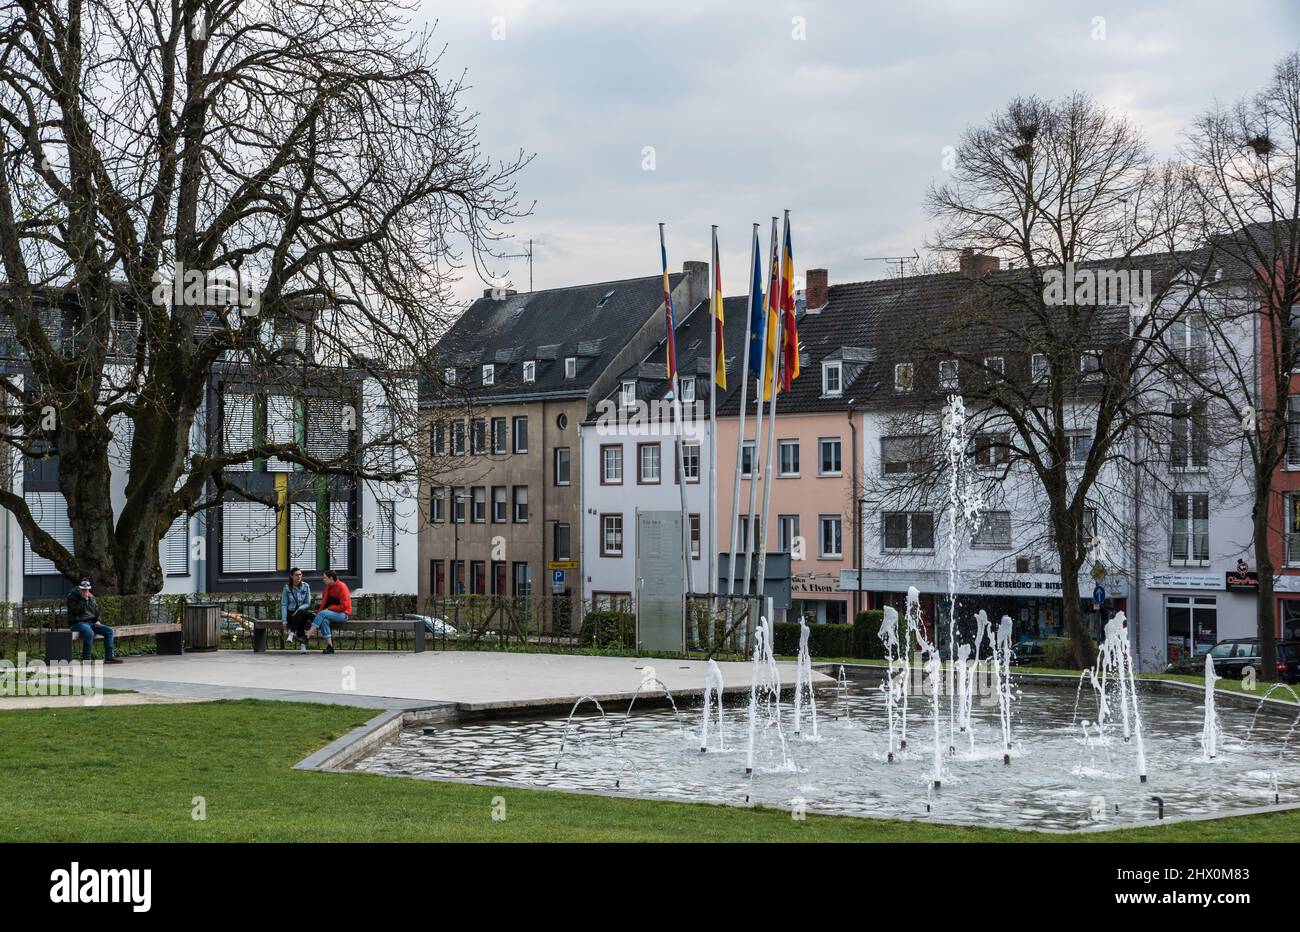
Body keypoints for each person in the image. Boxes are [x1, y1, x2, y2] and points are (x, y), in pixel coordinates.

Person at [67, 578, 122, 664]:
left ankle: (109, 657)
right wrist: (83, 600)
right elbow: (75, 611)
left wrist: (98, 620)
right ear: (79, 588)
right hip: (78, 622)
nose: (86, 591)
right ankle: (86, 659)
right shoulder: (72, 597)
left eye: (87, 590)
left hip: (91, 622)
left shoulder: (91, 597)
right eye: (83, 590)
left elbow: (96, 611)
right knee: (89, 633)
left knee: (109, 631)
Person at [305, 569, 351, 655]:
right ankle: (330, 647)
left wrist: (328, 609)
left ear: (331, 578)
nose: (323, 579)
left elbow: (344, 606)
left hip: (343, 614)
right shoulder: (327, 588)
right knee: (324, 621)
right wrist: (318, 612)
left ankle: (308, 635)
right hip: (331, 613)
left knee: (323, 613)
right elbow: (324, 603)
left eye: (325, 578)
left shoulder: (342, 587)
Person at [281, 567, 313, 654]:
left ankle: (291, 633)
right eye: (296, 575)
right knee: (300, 619)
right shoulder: (287, 588)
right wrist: (284, 621)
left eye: (300, 574)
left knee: (301, 613)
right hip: (291, 613)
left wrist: (299, 608)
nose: (299, 576)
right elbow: (284, 605)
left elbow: (308, 603)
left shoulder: (306, 586)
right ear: (291, 576)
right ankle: (303, 645)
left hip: (303, 611)